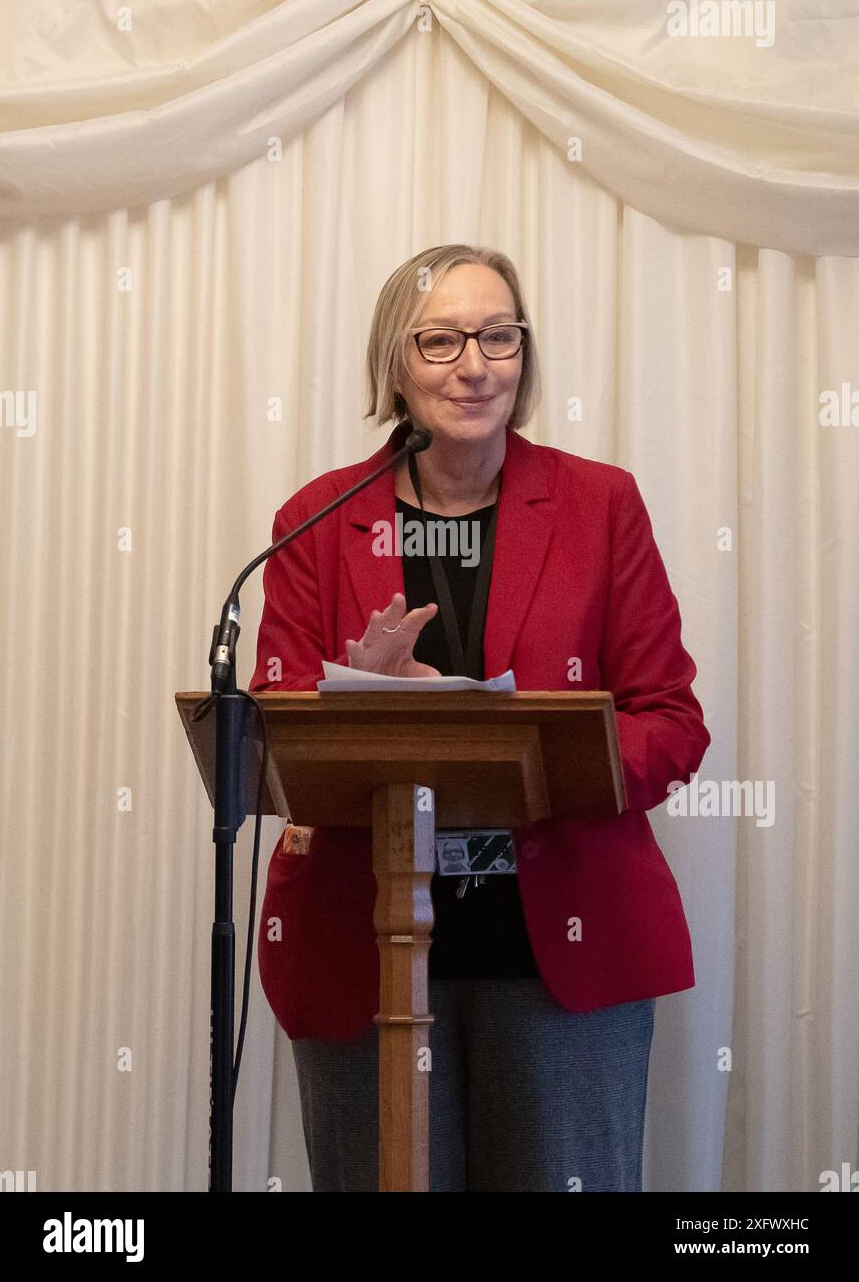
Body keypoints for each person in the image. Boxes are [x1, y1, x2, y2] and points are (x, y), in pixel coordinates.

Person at [250, 243, 710, 1191]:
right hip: (362, 942)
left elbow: (670, 719)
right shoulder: (315, 518)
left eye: (498, 335)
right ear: (395, 363)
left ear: (524, 355)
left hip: (560, 947)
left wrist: (530, 760)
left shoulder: (601, 505)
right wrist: (350, 693)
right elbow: (274, 733)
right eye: (441, 340)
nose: (474, 364)